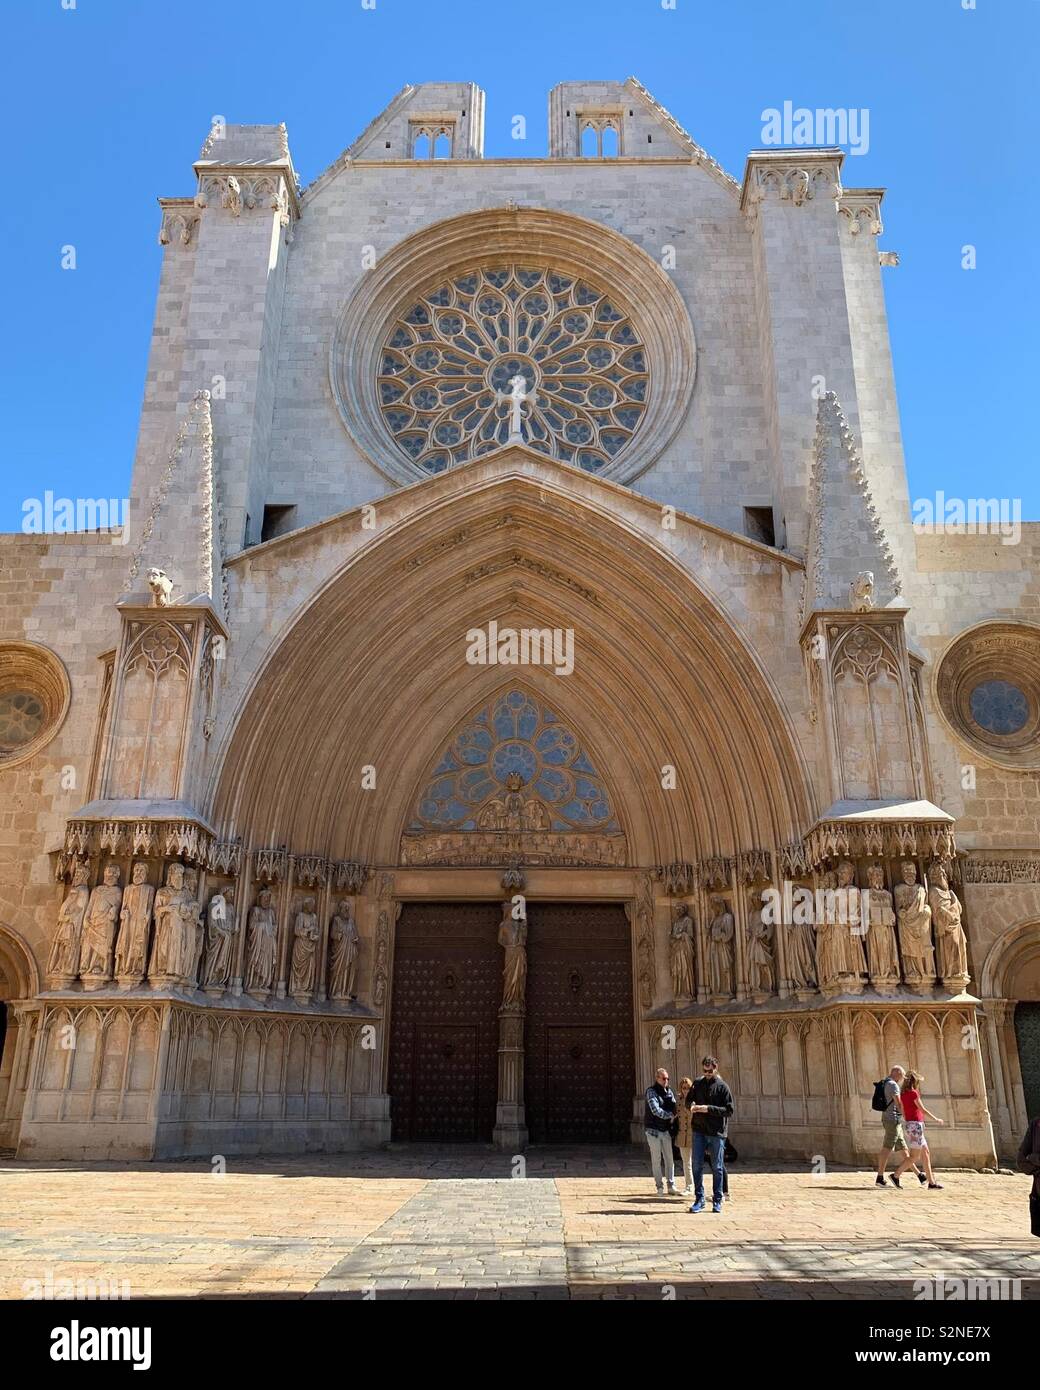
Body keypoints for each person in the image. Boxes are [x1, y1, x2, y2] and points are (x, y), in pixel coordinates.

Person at [686, 1055, 734, 1214]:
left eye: (710, 1070)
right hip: (699, 1130)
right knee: (697, 1165)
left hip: (716, 1132)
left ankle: (718, 1199)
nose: (707, 1073)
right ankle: (699, 1199)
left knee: (717, 1166)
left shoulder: (722, 1087)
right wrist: (691, 1105)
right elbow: (688, 1100)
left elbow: (729, 1110)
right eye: (705, 1070)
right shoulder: (697, 1084)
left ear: (716, 1068)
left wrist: (708, 1108)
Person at [874, 1063, 923, 1188]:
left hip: (888, 1119)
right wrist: (907, 1118)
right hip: (893, 1120)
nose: (901, 1079)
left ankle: (919, 1175)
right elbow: (899, 1103)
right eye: (901, 1076)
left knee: (903, 1148)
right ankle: (880, 1178)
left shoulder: (885, 1082)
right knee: (887, 1147)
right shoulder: (893, 1085)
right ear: (898, 1074)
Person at [900, 1070, 944, 1189]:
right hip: (915, 1126)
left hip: (911, 1124)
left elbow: (903, 1111)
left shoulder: (903, 1094)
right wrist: (936, 1119)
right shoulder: (914, 1093)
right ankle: (895, 1175)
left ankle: (931, 1182)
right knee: (914, 1156)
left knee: (926, 1153)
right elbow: (922, 1109)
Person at [644, 1067, 679, 1197]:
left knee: (669, 1159)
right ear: (657, 1078)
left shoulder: (669, 1092)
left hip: (665, 1130)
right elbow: (655, 1110)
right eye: (664, 1078)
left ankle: (671, 1185)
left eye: (667, 1079)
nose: (666, 1081)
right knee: (656, 1159)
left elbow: (675, 1106)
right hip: (653, 1130)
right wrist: (670, 1116)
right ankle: (659, 1186)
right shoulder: (651, 1091)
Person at [1017, 1113, 1040, 1237]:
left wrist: (1034, 1158)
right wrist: (1036, 1170)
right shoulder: (1036, 1124)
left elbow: (1030, 1157)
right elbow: (1021, 1159)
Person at [675, 1076, 695, 1194]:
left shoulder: (694, 1101)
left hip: (694, 1135)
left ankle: (698, 1186)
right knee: (686, 1162)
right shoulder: (678, 1101)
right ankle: (689, 1186)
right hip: (682, 1135)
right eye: (683, 1088)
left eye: (687, 1088)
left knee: (696, 1163)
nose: (685, 1090)